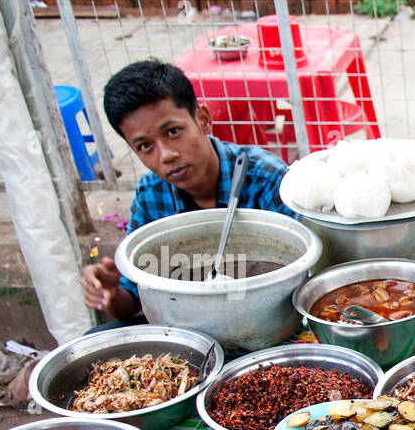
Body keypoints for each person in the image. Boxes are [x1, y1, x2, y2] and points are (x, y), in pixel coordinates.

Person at [80, 59, 294, 323]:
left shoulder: (266, 178)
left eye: (173, 132)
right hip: (185, 327)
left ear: (203, 120)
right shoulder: (151, 195)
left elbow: (302, 277)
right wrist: (110, 293)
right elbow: (132, 298)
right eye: (146, 146)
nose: (167, 155)